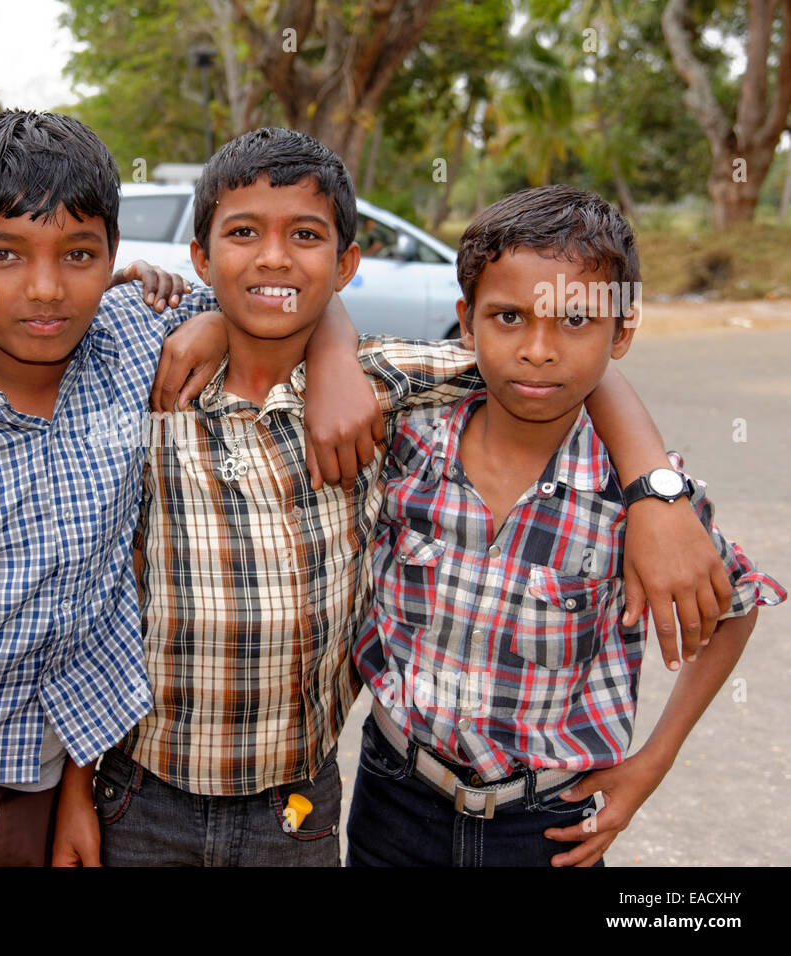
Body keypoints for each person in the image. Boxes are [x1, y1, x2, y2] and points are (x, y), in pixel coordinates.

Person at [85, 133, 742, 867]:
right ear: (201, 258)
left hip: (309, 803)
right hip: (152, 785)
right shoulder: (158, 369)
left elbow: (556, 368)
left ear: (346, 265)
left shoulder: (393, 389)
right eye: (244, 234)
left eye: (305, 236)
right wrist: (214, 312)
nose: (273, 257)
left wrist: (655, 489)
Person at [0, 110, 376, 867]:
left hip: (46, 776)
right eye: (3, 253)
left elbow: (275, 296)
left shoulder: (133, 339)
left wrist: (334, 353)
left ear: (113, 255)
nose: (45, 289)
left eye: (79, 254)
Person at [346, 184, 785, 867]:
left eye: (576, 320)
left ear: (623, 331)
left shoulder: (642, 504)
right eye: (509, 317)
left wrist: (654, 761)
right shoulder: (407, 446)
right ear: (467, 322)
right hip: (394, 800)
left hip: (546, 827)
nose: (539, 349)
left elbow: (738, 605)